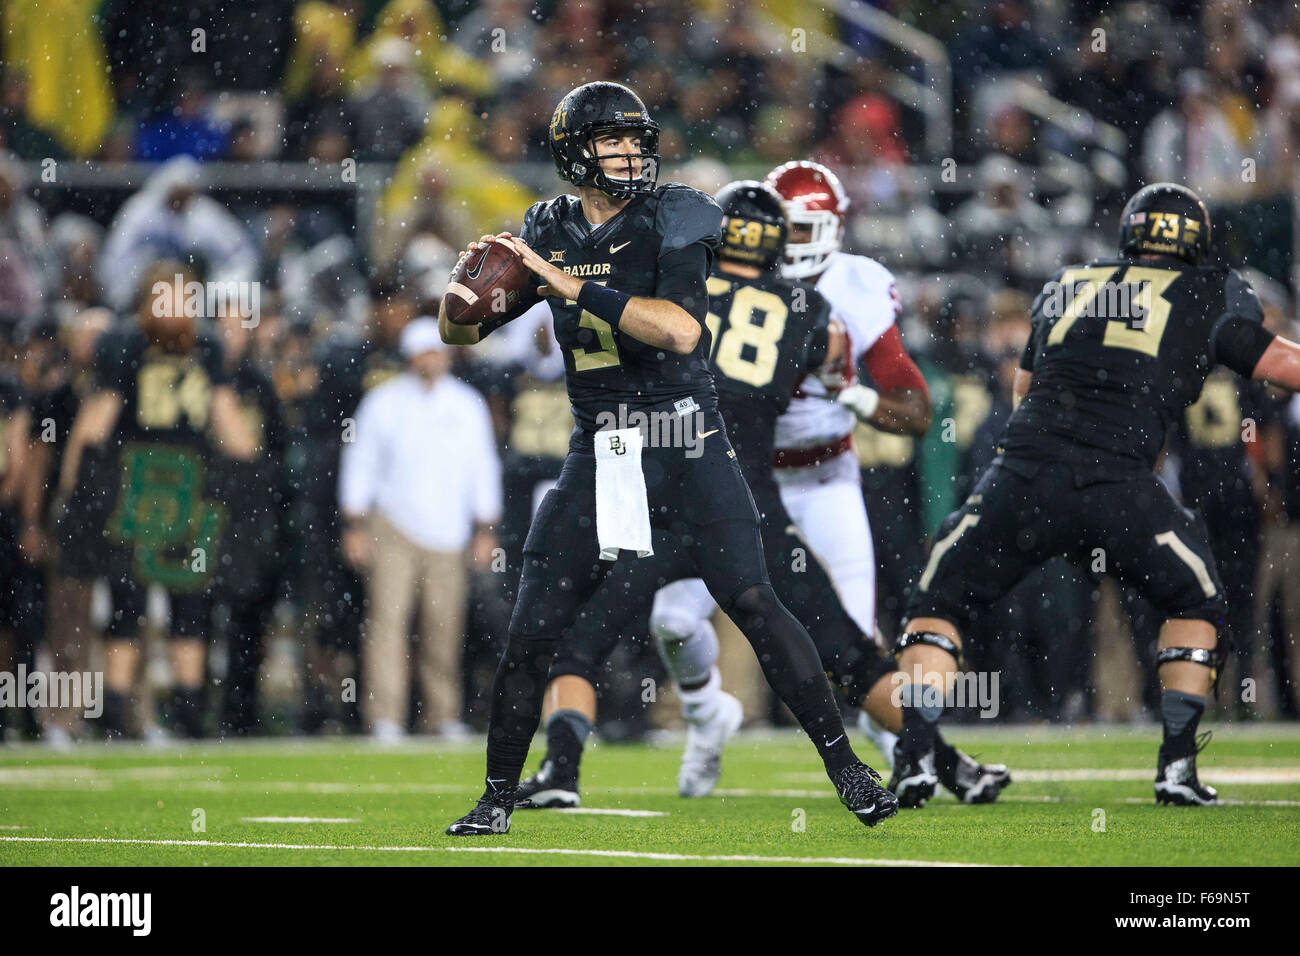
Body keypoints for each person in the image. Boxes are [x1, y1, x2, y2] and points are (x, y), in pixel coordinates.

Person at [440, 82, 897, 836]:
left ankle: (849, 770)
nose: (629, 153)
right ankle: (495, 798)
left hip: (687, 440)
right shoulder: (546, 227)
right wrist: (460, 293)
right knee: (534, 625)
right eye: (611, 140)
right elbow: (459, 334)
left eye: (636, 140)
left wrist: (568, 285)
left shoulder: (675, 213)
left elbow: (682, 330)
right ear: (573, 151)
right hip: (602, 447)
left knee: (753, 600)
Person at [511, 182, 1010, 810]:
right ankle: (941, 765)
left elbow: (630, 342)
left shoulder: (671, 288)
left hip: (653, 489)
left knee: (582, 634)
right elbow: (842, 377)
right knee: (842, 649)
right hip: (743, 497)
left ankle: (562, 769)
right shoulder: (810, 310)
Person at [893, 183, 1300, 806]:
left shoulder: (1070, 283)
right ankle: (1176, 767)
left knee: (937, 600)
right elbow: (1281, 366)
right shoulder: (1209, 289)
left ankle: (916, 756)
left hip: (1023, 475)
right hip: (1117, 482)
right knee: (1196, 601)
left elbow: (1023, 392)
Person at [58, 266, 256, 738]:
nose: (177, 308)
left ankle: (189, 716)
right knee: (127, 605)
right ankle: (115, 715)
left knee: (192, 608)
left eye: (185, 298)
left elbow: (227, 417)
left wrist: (247, 464)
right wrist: (73, 488)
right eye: (167, 298)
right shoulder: (126, 344)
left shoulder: (206, 349)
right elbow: (97, 418)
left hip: (189, 490)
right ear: (146, 302)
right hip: (135, 487)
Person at [339, 317, 501, 740]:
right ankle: (385, 716)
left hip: (450, 531)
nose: (430, 360)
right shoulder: (383, 402)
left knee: (444, 628)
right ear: (410, 357)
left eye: (436, 352)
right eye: (423, 353)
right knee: (386, 624)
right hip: (393, 525)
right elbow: (361, 462)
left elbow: (482, 466)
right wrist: (354, 522)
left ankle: (442, 715)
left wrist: (486, 527)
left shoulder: (467, 404)